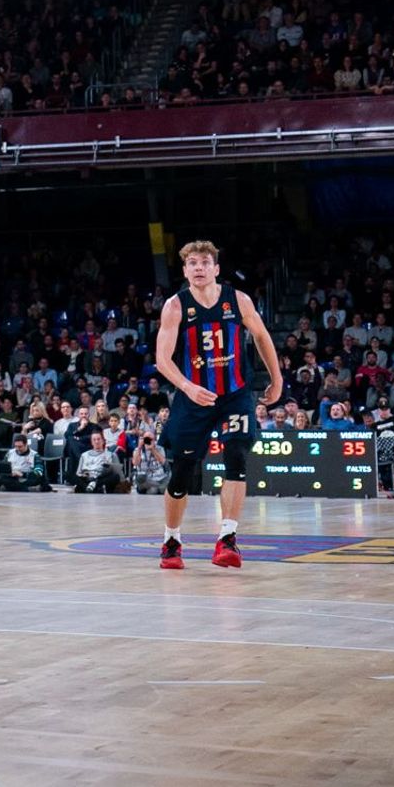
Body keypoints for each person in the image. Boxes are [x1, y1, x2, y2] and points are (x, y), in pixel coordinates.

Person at [151, 241, 283, 570]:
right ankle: (171, 539)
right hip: (194, 396)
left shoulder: (238, 300)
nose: (198, 267)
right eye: (192, 263)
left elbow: (263, 336)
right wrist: (187, 386)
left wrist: (276, 379)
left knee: (236, 456)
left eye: (204, 262)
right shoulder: (175, 306)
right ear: (184, 271)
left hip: (235, 393)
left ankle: (227, 538)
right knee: (181, 473)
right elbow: (162, 359)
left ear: (216, 269)